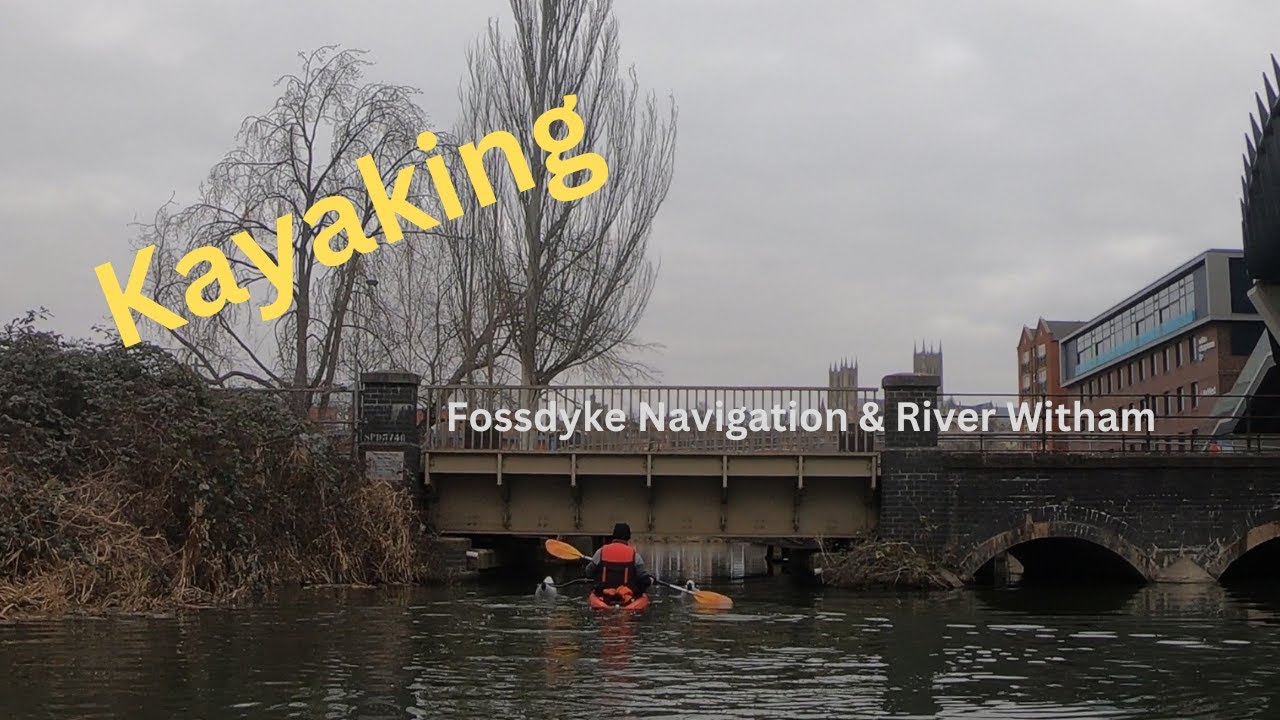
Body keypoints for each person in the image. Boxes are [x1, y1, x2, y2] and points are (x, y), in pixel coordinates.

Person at [584, 522, 654, 605]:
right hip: (628, 598)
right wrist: (651, 580)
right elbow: (643, 579)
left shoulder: (600, 552)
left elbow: (588, 572)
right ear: (628, 537)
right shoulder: (635, 555)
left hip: (603, 596)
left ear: (613, 536)